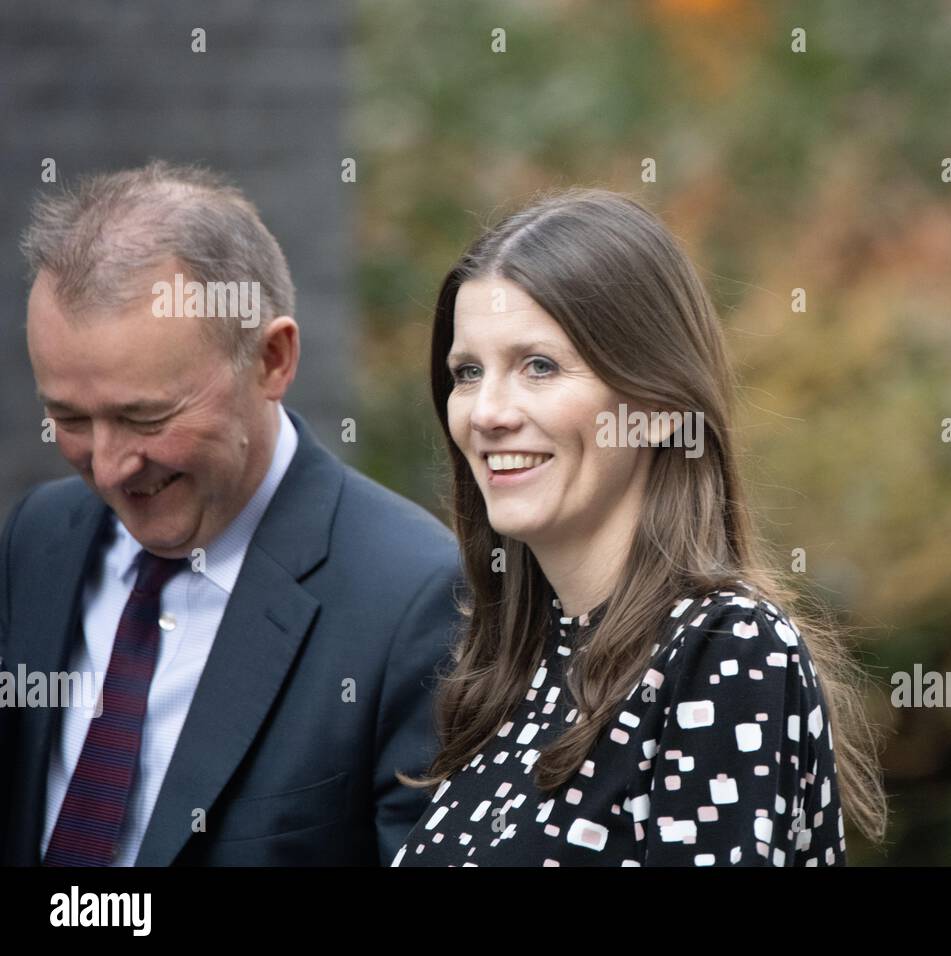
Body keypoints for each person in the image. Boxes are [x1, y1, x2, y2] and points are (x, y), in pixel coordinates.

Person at [391, 189, 887, 866]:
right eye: (468, 372)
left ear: (655, 406)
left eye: (538, 366)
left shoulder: (724, 650)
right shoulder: (515, 668)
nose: (488, 412)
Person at [0, 160, 462, 866]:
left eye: (144, 416)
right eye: (69, 417)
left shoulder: (413, 601)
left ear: (272, 359)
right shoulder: (38, 538)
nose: (109, 464)